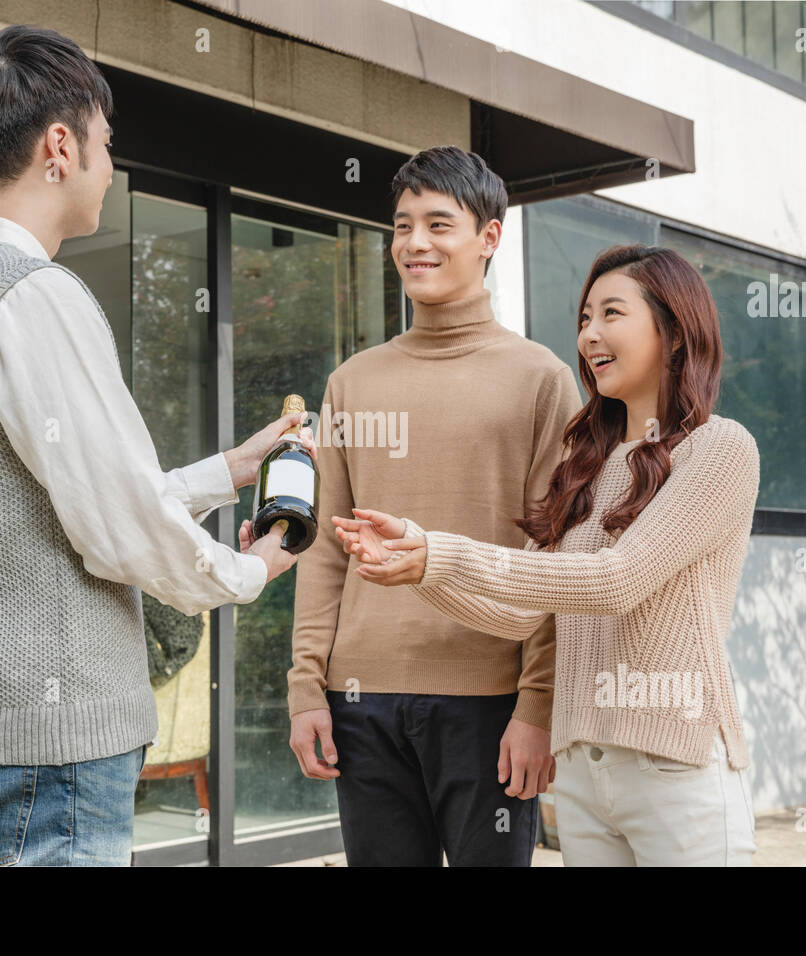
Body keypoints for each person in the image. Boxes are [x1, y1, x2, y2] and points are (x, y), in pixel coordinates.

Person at [0, 24, 308, 866]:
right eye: (106, 144)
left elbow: (75, 490)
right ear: (61, 146)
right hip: (58, 740)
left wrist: (230, 471)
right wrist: (251, 570)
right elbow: (116, 521)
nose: (111, 168)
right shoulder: (36, 294)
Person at [333, 243, 761, 866]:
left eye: (612, 314)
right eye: (585, 318)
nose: (590, 335)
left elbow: (617, 580)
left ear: (673, 332)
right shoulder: (586, 462)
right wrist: (418, 567)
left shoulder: (719, 449)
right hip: (584, 777)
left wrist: (442, 552)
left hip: (677, 766)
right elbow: (515, 616)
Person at [287, 145, 581, 866]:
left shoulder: (540, 380)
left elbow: (557, 559)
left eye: (439, 224)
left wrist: (536, 706)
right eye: (401, 225)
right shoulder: (353, 381)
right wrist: (305, 690)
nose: (415, 243)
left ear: (489, 237)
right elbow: (325, 547)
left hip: (488, 702)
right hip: (362, 700)